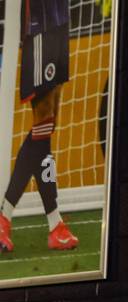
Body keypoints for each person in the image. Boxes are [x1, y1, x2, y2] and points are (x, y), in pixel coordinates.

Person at [0, 0, 79, 255]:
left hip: (59, 18)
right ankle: (53, 224)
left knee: (47, 126)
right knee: (43, 123)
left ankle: (6, 219)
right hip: (41, 22)